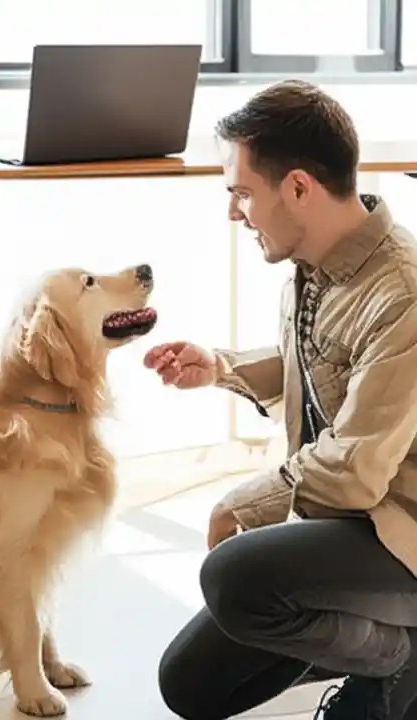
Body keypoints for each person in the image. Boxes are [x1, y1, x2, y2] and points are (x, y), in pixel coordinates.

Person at [153, 80, 417, 720]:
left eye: (242, 193)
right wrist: (221, 368)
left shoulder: (404, 293)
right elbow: (325, 369)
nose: (234, 213)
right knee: (189, 684)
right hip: (353, 522)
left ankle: (400, 660)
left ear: (298, 187)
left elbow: (354, 473)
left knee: (234, 577)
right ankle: (380, 651)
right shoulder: (314, 267)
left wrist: (242, 503)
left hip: (401, 530)